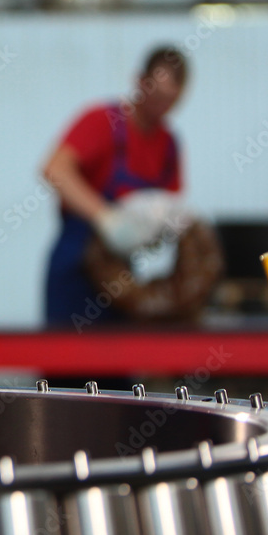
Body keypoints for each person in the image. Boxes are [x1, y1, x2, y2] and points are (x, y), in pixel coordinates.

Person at [41, 46, 187, 326]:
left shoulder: (168, 146)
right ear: (140, 82)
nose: (160, 108)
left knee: (117, 359)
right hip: (74, 265)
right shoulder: (103, 121)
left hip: (121, 273)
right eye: (155, 96)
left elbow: (168, 204)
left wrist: (157, 231)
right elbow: (54, 170)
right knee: (68, 360)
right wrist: (106, 218)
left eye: (169, 101)